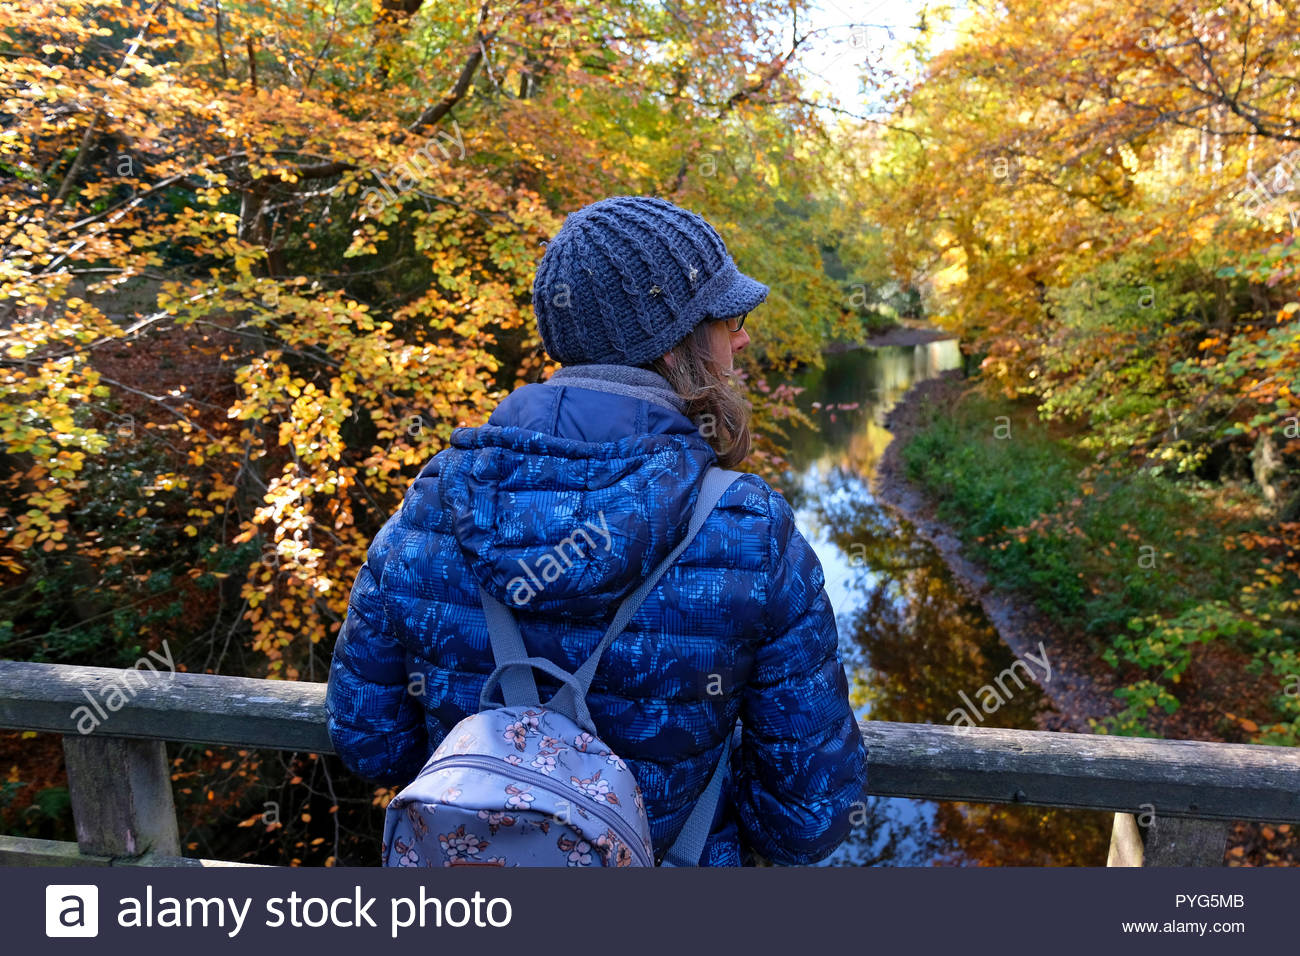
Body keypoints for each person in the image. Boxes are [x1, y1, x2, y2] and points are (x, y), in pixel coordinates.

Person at [325, 195, 868, 866]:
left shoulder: (434, 503)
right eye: (729, 318)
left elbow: (371, 743)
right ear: (672, 344)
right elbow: (809, 817)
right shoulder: (748, 529)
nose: (744, 336)